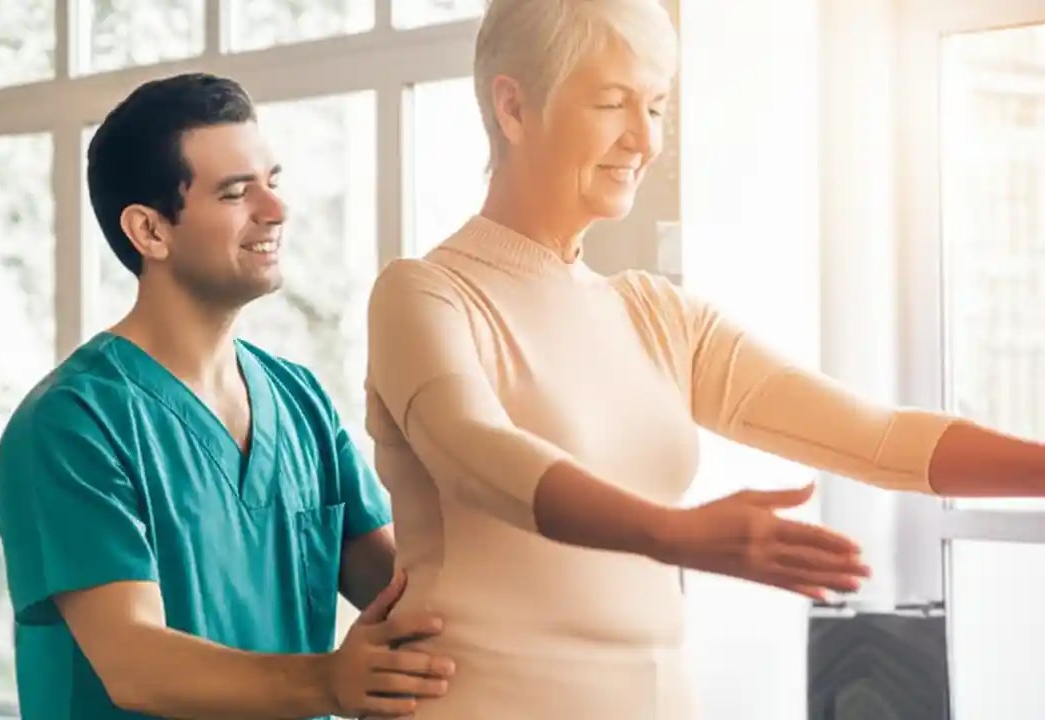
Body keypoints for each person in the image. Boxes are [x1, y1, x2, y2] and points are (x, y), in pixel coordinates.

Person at [363, 1, 1045, 718]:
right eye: (612, 103)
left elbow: (877, 437)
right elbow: (480, 454)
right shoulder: (425, 294)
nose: (644, 140)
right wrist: (675, 533)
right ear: (513, 106)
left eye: (656, 106)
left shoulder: (656, 314)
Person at [0, 73, 454, 720]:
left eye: (273, 181)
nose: (276, 209)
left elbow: (407, 589)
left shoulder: (301, 401)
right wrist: (332, 682)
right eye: (237, 193)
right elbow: (135, 663)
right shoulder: (73, 424)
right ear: (150, 231)